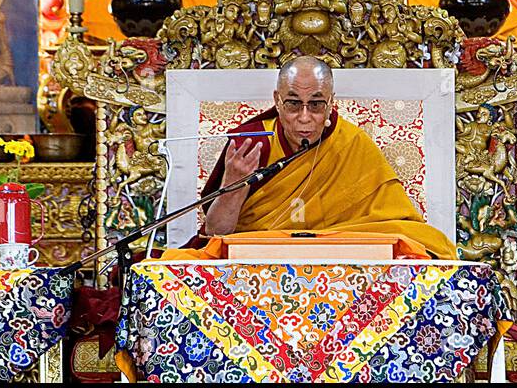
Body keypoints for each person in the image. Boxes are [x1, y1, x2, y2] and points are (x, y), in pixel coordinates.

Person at [169, 55, 456, 260]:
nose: (304, 117)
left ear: (331, 102)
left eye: (316, 104)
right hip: (257, 261)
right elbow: (217, 232)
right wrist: (235, 182)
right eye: (293, 104)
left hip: (339, 262)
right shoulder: (252, 142)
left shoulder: (352, 144)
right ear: (277, 101)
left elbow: (397, 223)